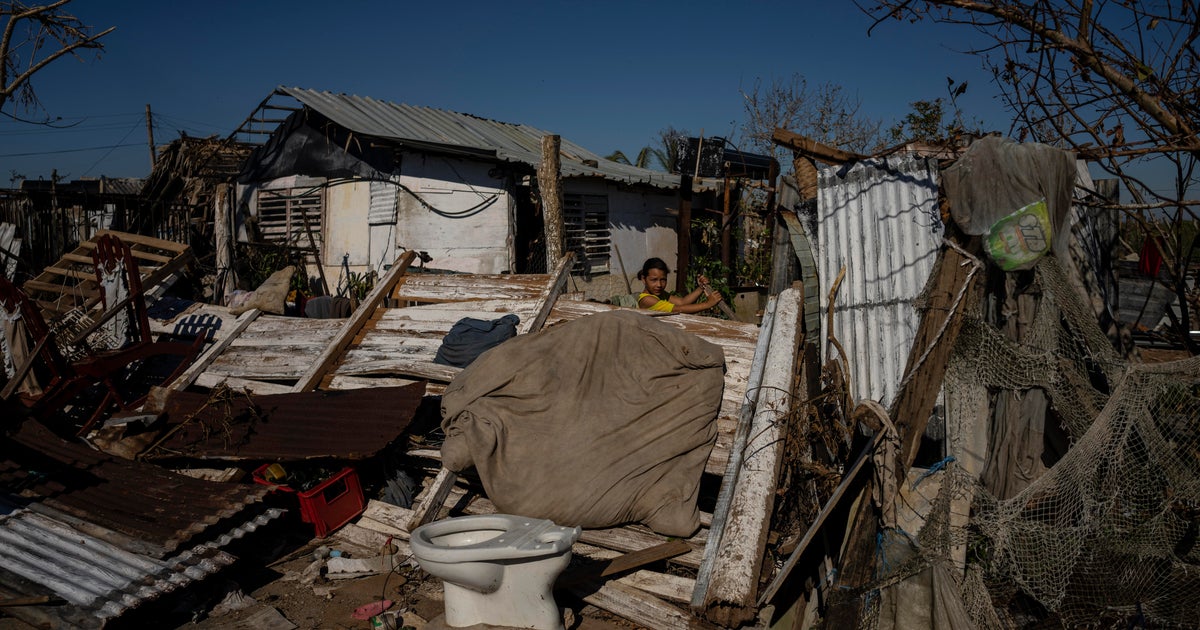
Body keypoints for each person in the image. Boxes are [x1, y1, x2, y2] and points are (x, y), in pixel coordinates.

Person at [636, 257, 724, 314]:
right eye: (653, 280)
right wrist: (707, 304)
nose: (659, 285)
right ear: (644, 279)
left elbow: (682, 302)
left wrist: (701, 288)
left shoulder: (660, 294)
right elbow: (678, 309)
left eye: (663, 280)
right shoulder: (646, 300)